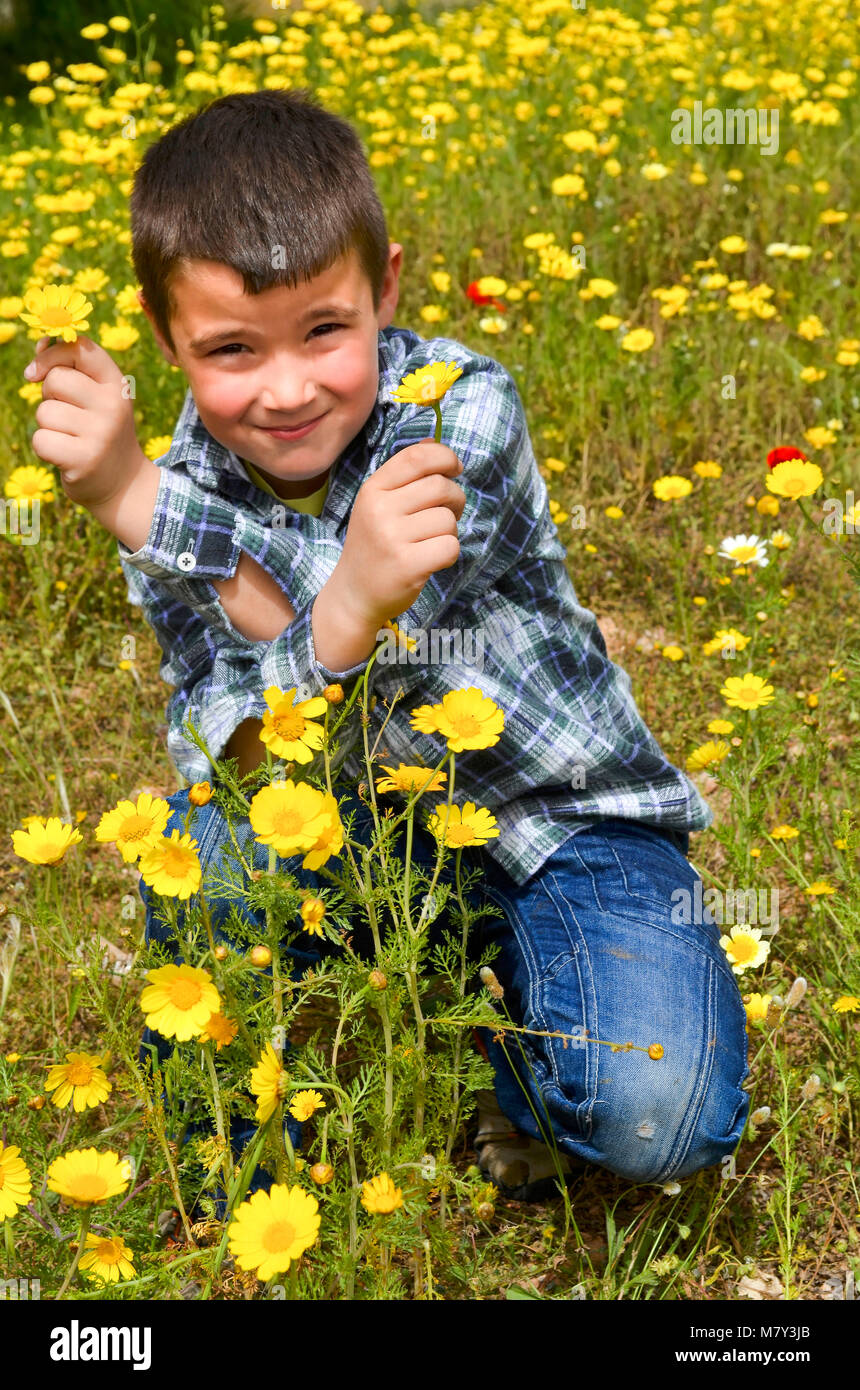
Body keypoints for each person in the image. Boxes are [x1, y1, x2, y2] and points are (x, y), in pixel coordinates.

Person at [25, 87, 749, 1202]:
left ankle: (518, 1039)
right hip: (353, 840)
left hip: (558, 822)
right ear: (163, 333)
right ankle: (247, 1157)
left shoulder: (457, 407)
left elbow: (403, 644)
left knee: (656, 1116)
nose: (286, 388)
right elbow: (231, 742)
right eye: (228, 348)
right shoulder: (171, 495)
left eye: (325, 328)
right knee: (202, 856)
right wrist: (171, 515)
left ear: (387, 289)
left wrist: (144, 505)